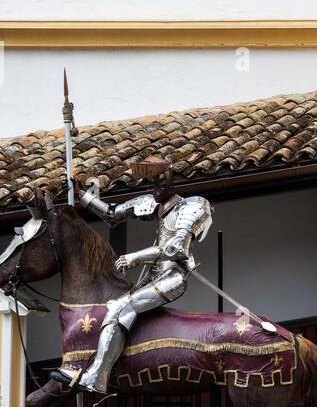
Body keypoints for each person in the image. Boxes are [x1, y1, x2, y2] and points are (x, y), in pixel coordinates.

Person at [66, 162, 213, 395]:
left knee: (120, 306)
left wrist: (135, 257)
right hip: (151, 277)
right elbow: (112, 214)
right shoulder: (153, 203)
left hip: (172, 277)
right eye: (149, 184)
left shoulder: (193, 207)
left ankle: (96, 377)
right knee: (117, 304)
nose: (152, 189)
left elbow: (175, 248)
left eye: (156, 183)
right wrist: (82, 195)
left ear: (167, 181)